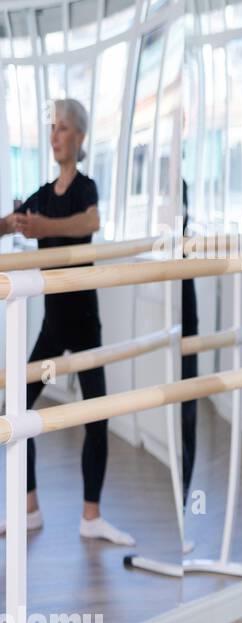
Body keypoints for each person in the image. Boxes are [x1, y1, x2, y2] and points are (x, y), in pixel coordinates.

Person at [0, 98, 135, 546]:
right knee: (15, 410)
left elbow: (89, 222)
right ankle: (30, 509)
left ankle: (91, 517)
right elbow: (14, 224)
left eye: (62, 128)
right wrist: (12, 224)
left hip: (84, 321)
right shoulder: (40, 194)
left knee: (97, 418)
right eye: (52, 128)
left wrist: (42, 226)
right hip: (53, 324)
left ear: (78, 137)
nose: (55, 136)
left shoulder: (86, 189)